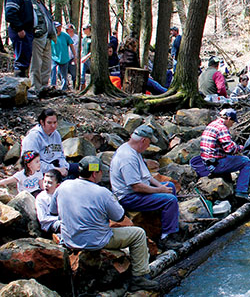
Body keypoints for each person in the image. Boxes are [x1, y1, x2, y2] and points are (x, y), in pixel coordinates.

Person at [49, 156, 159, 292]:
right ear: (95, 173)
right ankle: (139, 277)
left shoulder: (64, 186)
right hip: (96, 241)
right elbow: (119, 217)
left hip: (70, 239)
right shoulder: (102, 193)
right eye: (101, 171)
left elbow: (52, 210)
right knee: (138, 234)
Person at [110, 125, 181, 250]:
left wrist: (161, 186)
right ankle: (166, 237)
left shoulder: (134, 151)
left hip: (137, 192)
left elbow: (146, 176)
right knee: (170, 200)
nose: (149, 146)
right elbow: (136, 187)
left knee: (170, 186)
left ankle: (169, 224)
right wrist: (159, 190)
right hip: (129, 197)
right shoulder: (127, 157)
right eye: (149, 142)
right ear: (143, 140)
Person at [200, 109, 250, 200]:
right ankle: (241, 191)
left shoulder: (213, 124)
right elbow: (230, 149)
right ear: (228, 119)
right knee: (245, 161)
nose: (232, 125)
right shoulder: (222, 128)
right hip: (216, 164)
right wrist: (240, 148)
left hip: (208, 162)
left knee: (244, 160)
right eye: (232, 122)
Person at [21, 109, 79, 178]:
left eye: (55, 122)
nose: (53, 126)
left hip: (61, 166)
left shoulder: (56, 134)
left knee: (92, 166)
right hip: (43, 172)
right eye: (49, 123)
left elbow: (61, 155)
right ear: (42, 122)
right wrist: (55, 169)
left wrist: (64, 167)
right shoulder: (33, 137)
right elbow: (31, 163)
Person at [5, 0, 36, 78]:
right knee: (21, 61)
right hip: (20, 32)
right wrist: (19, 28)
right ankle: (18, 86)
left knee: (25, 58)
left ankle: (23, 87)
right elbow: (10, 13)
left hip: (27, 31)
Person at [28, 0, 56, 92]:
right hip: (37, 37)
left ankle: (44, 86)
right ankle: (35, 87)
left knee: (46, 63)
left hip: (47, 37)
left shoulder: (41, 4)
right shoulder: (30, 3)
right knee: (36, 63)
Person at [50, 22, 77, 90]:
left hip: (64, 58)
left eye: (59, 27)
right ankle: (53, 85)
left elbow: (71, 45)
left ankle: (64, 89)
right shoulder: (51, 36)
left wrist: (75, 56)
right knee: (53, 69)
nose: (59, 29)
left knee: (64, 75)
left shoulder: (65, 36)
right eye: (57, 28)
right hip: (54, 57)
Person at [35, 169, 62, 233]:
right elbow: (42, 218)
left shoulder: (61, 195)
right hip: (49, 224)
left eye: (50, 183)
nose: (46, 185)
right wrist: (60, 218)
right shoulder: (41, 198)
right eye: (45, 182)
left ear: (57, 185)